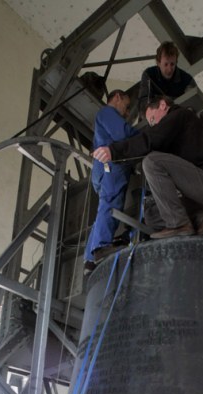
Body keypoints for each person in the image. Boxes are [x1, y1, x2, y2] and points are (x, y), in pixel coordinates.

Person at [92, 96, 203, 239]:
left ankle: (179, 224)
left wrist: (114, 151)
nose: (154, 125)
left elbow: (150, 139)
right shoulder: (180, 137)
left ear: (163, 105)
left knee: (151, 162)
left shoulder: (180, 115)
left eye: (152, 119)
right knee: (151, 216)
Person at [84, 89, 138, 266]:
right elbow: (122, 133)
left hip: (104, 171)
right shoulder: (108, 112)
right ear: (117, 97)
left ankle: (90, 258)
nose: (127, 112)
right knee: (110, 202)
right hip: (111, 167)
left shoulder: (102, 117)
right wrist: (143, 137)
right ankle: (100, 247)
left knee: (105, 206)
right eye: (127, 106)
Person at [138, 41, 196, 115]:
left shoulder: (187, 80)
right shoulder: (149, 75)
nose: (169, 69)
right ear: (158, 62)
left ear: (176, 62)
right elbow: (143, 104)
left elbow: (194, 102)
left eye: (172, 64)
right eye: (166, 64)